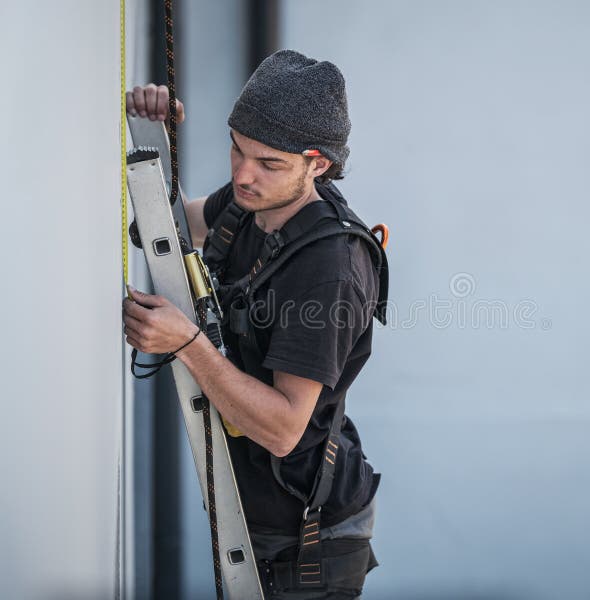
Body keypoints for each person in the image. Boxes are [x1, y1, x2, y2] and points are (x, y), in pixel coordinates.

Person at [123, 50, 386, 600]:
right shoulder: (253, 202)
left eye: (269, 163)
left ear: (319, 164)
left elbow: (285, 430)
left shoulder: (329, 269)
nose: (243, 174)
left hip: (310, 541)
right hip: (258, 515)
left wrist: (188, 344)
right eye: (237, 149)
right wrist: (154, 138)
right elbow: (170, 229)